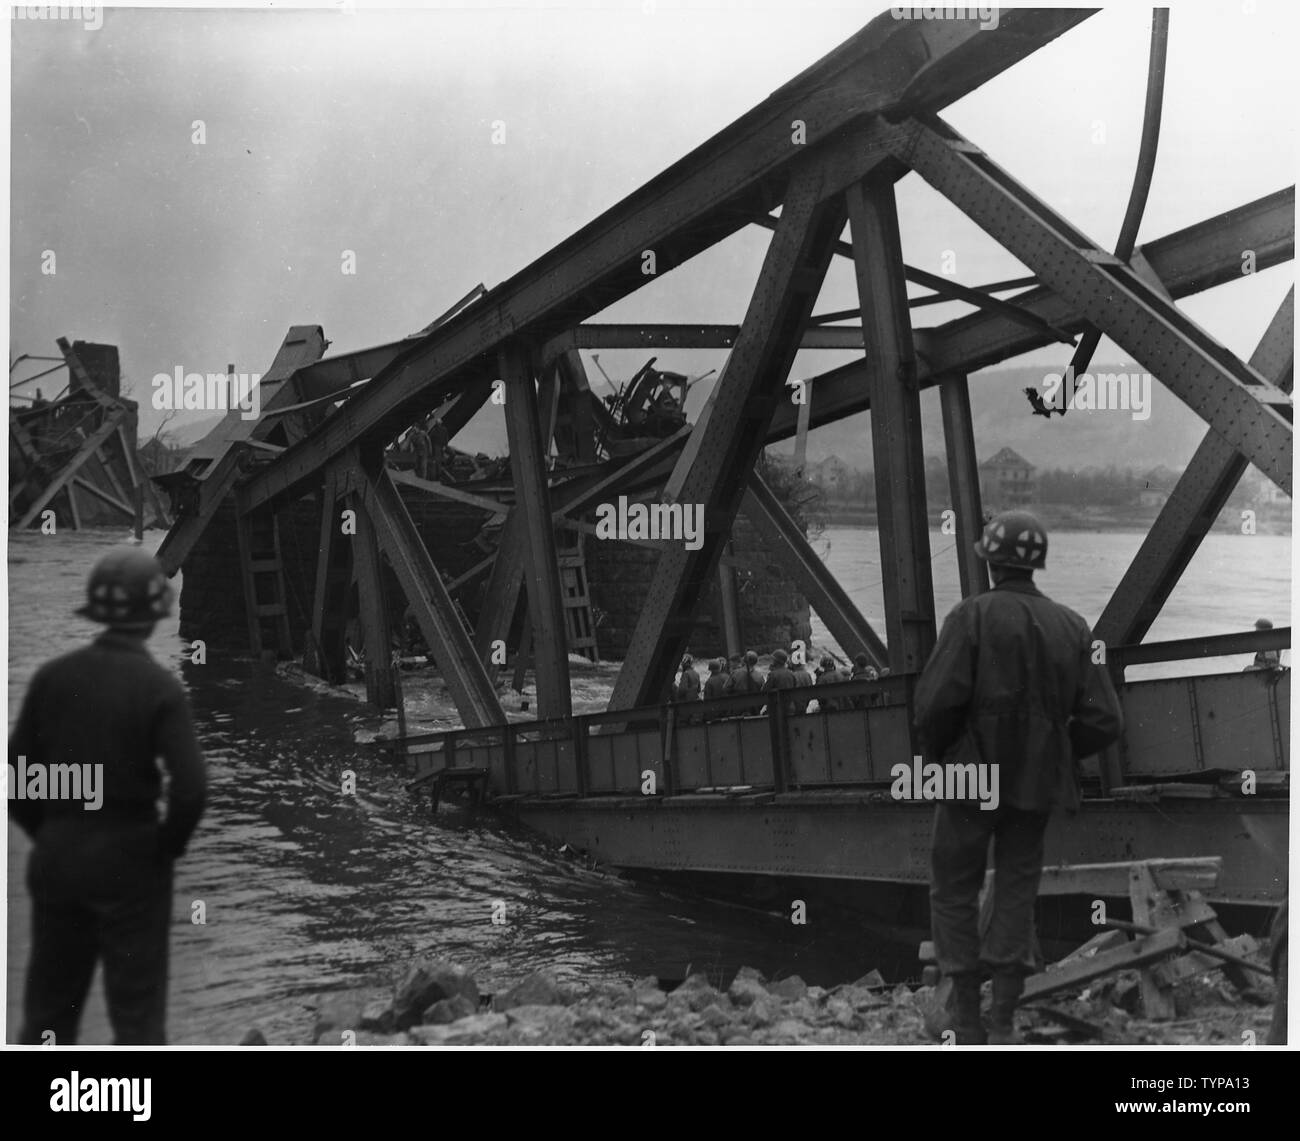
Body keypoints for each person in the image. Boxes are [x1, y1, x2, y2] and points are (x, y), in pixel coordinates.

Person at [914, 511, 1123, 1045]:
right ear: (1037, 566)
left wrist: (940, 758)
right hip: (1036, 784)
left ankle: (966, 1019)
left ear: (989, 561)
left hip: (969, 777)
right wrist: (1055, 752)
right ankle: (1004, 1020)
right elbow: (1106, 720)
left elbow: (935, 705)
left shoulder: (970, 616)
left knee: (954, 887)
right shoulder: (1073, 626)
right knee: (1016, 887)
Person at [9, 547, 207, 1045]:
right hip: (131, 859)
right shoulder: (160, 687)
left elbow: (17, 777)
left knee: (49, 1015)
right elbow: (191, 789)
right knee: (137, 1020)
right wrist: (163, 849)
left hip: (58, 856)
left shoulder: (53, 678)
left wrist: (51, 832)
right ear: (153, 617)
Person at [790, 648, 815, 713]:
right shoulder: (807, 675)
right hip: (805, 704)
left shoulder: (792, 675)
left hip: (794, 706)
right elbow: (811, 691)